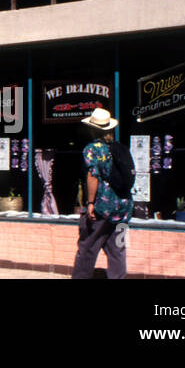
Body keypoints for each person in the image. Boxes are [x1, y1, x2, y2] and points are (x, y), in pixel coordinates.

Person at [72, 107, 132, 279]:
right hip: (124, 209)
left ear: (92, 129)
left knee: (87, 248)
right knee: (118, 249)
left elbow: (93, 176)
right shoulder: (120, 148)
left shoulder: (92, 149)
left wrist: (90, 203)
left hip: (102, 208)